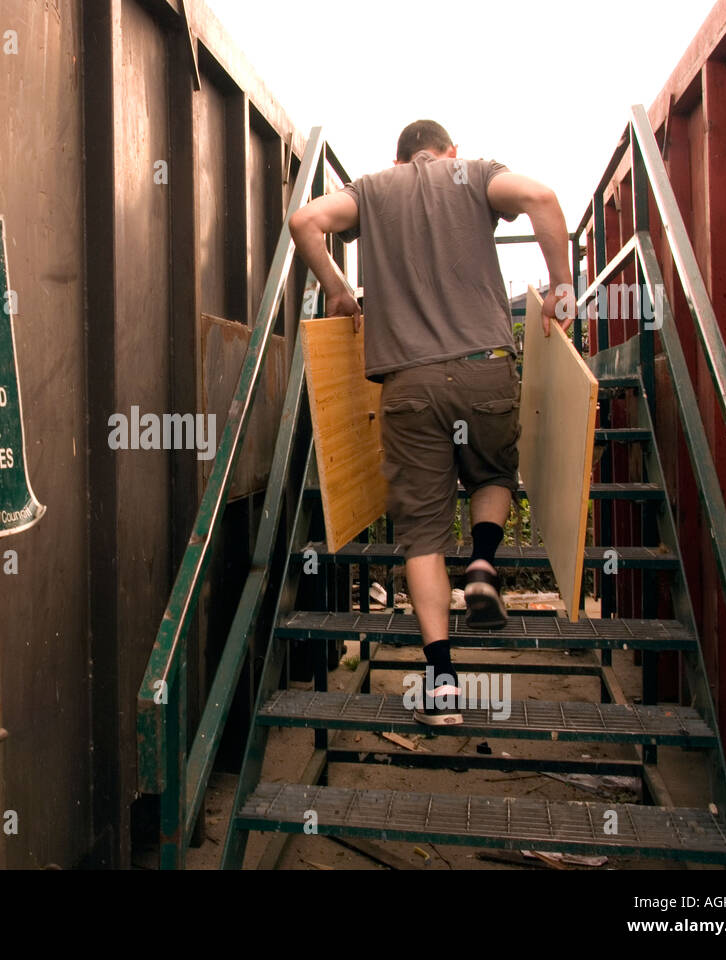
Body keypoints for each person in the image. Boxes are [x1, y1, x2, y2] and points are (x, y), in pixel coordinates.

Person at [288, 119, 574, 725]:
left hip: (407, 386)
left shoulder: (371, 189)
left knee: (421, 530)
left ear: (398, 160)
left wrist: (338, 290)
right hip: (485, 370)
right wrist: (563, 287)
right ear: (450, 152)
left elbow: (304, 221)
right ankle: (484, 562)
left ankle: (441, 682)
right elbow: (544, 199)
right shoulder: (477, 174)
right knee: (494, 474)